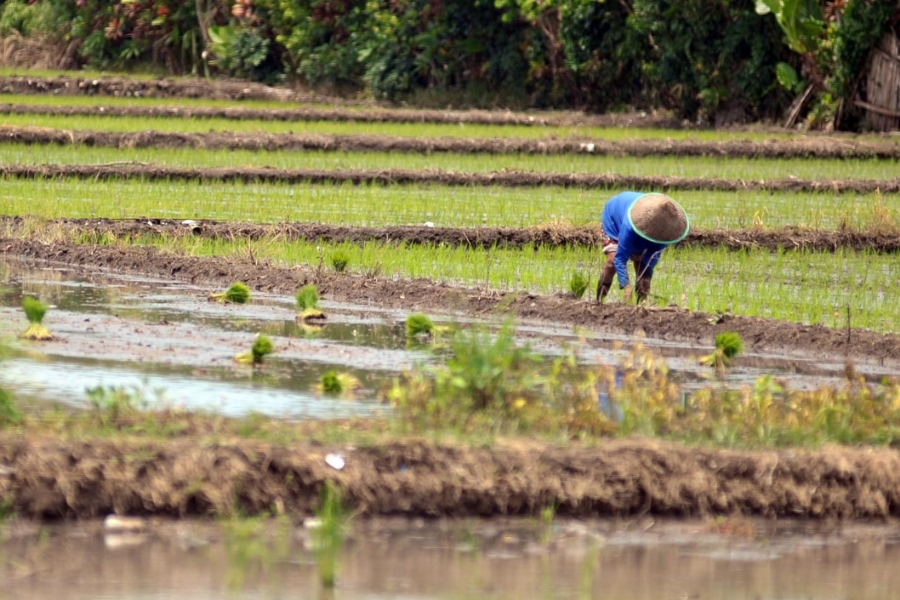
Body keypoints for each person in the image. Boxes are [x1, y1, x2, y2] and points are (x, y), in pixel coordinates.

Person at [597, 191, 689, 304]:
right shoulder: (630, 225)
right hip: (614, 220)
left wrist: (646, 276)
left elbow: (651, 258)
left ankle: (641, 307)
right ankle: (598, 302)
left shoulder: (665, 232)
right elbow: (620, 259)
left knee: (642, 272)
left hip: (640, 229)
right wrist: (626, 286)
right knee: (612, 262)